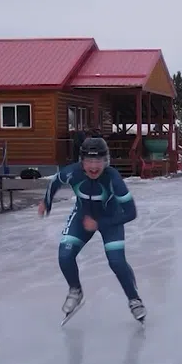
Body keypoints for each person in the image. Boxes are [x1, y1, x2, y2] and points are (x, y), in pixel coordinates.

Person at [39, 137, 145, 322]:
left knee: (117, 262)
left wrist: (100, 224)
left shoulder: (113, 179)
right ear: (82, 162)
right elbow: (55, 182)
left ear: (106, 161)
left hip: (111, 219)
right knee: (65, 254)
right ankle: (75, 290)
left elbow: (131, 212)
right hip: (82, 218)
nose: (94, 167)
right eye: (89, 161)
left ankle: (134, 299)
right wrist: (46, 203)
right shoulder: (72, 173)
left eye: (98, 161)